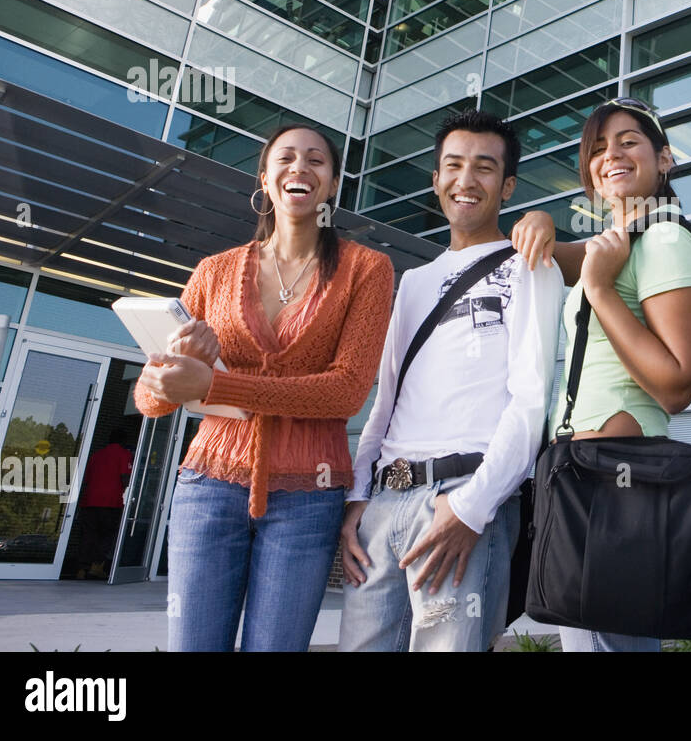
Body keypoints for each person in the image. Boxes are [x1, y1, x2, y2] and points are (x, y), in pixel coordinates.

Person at [135, 125, 393, 652]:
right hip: (208, 484)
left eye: (316, 160)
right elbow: (150, 400)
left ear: (333, 184)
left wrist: (216, 382)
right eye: (287, 158)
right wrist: (175, 374)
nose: (300, 168)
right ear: (265, 178)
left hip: (308, 495)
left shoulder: (368, 269)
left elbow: (346, 392)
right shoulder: (214, 271)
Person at [338, 110, 563, 652]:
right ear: (437, 179)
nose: (467, 180)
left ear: (507, 186)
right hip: (384, 503)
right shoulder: (411, 281)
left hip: (462, 498)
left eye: (484, 168)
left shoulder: (529, 265)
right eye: (454, 166)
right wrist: (356, 498)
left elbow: (530, 400)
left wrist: (473, 508)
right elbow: (384, 400)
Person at [510, 98, 691, 652]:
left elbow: (675, 385)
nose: (610, 156)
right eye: (597, 149)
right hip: (584, 472)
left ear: (664, 159)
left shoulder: (666, 238)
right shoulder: (620, 243)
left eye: (628, 142)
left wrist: (598, 291)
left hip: (616, 476)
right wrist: (540, 219)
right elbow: (561, 252)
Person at [73, 428, 134, 580]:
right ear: (123, 441)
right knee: (106, 535)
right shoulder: (124, 454)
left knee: (88, 536)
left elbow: (87, 480)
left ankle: (81, 569)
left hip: (89, 502)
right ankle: (96, 566)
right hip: (111, 503)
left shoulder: (96, 455)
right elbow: (125, 478)